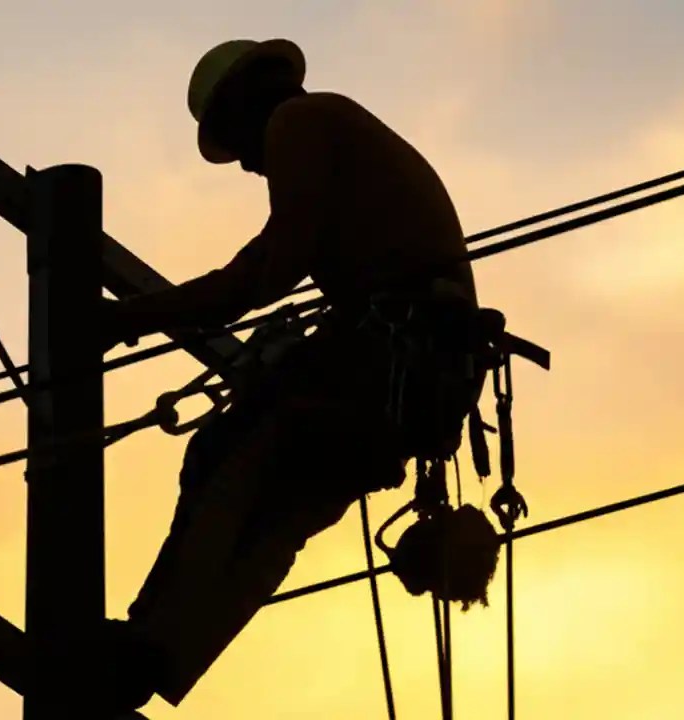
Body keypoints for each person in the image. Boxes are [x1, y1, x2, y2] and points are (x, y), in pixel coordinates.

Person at [93, 38, 483, 713]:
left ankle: (145, 644)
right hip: (424, 373)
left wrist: (137, 315)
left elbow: (268, 268)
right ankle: (162, 656)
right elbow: (277, 256)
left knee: (222, 452)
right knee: (285, 508)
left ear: (248, 103)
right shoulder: (339, 133)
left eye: (232, 142)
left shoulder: (299, 121)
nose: (246, 164)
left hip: (393, 353)